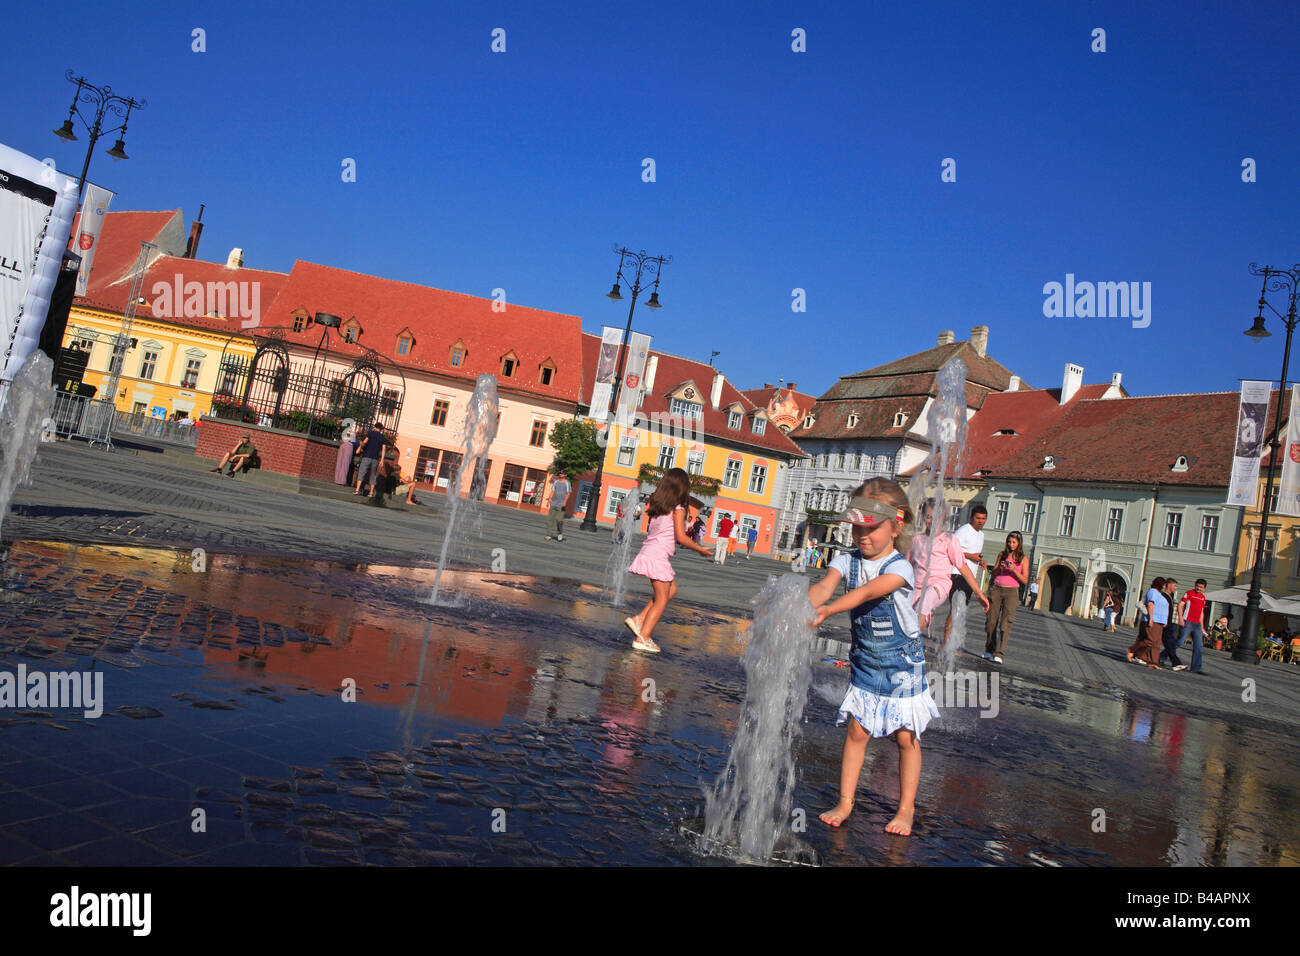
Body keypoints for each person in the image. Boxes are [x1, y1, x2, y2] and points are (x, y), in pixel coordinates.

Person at [808, 479, 935, 836]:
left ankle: (906, 808)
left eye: (871, 528)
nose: (862, 534)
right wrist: (805, 604)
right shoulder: (845, 559)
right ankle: (846, 801)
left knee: (906, 737)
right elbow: (824, 585)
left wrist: (830, 610)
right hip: (865, 659)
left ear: (896, 526)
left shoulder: (900, 567)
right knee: (857, 731)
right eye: (856, 526)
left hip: (902, 663)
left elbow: (868, 591)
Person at [623, 468, 712, 653]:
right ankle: (643, 637)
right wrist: (700, 549)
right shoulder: (678, 509)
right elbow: (681, 536)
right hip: (658, 556)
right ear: (682, 488)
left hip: (650, 551)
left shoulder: (658, 506)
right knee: (662, 598)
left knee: (671, 590)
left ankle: (639, 619)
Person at [908, 502, 989, 631]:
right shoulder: (917, 540)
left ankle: (912, 638)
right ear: (923, 517)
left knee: (923, 605)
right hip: (918, 586)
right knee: (906, 616)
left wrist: (979, 594)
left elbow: (963, 567)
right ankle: (910, 643)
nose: (933, 520)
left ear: (944, 517)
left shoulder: (949, 540)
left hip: (938, 585)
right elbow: (907, 566)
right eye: (929, 516)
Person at [943, 505, 988, 644]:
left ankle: (952, 643)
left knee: (961, 611)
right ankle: (946, 643)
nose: (980, 521)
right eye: (978, 518)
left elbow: (974, 554)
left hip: (970, 577)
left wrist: (980, 561)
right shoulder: (963, 531)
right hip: (958, 574)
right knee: (955, 608)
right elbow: (950, 550)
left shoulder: (981, 535)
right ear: (972, 517)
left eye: (983, 519)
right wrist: (971, 556)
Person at [984, 531, 1029, 663]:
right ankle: (989, 649)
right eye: (1009, 541)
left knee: (1005, 623)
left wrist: (1014, 569)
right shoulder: (1002, 554)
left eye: (1014, 542)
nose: (1011, 544)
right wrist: (1000, 567)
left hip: (1012, 592)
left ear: (1019, 543)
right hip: (997, 589)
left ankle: (999, 653)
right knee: (991, 621)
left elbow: (1025, 580)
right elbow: (994, 573)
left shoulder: (1023, 559)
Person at [1126, 576, 1167, 669]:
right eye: (1164, 585)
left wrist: (1164, 620)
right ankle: (1131, 650)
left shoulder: (1159, 594)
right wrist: (1151, 618)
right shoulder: (1152, 592)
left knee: (1156, 643)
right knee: (1150, 641)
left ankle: (1153, 662)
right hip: (1153, 620)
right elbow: (1150, 604)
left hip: (1160, 621)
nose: (1165, 587)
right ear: (1160, 584)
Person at [1179, 578, 1208, 674]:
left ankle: (1196, 667)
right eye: (1198, 586)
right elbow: (1181, 605)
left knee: (1199, 645)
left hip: (1197, 625)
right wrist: (1181, 618)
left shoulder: (1203, 598)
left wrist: (1202, 626)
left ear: (1204, 588)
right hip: (1188, 622)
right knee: (1180, 641)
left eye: (1201, 587)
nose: (1199, 588)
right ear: (1195, 585)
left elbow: (1201, 613)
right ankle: (1163, 656)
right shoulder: (1189, 593)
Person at [1158, 578, 1187, 670]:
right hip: (1164, 622)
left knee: (1169, 643)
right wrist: (1164, 621)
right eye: (1174, 585)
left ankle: (1175, 663)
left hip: (1169, 623)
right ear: (1169, 585)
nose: (1175, 588)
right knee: (1167, 643)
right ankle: (1176, 663)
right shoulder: (1163, 595)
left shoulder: (1171, 595)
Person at [353, 423, 387, 497]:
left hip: (367, 456)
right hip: (375, 458)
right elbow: (384, 449)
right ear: (381, 429)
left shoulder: (370, 433)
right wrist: (382, 460)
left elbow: (364, 442)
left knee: (362, 472)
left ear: (375, 427)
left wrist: (359, 448)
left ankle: (357, 490)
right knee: (373, 475)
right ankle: (371, 492)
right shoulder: (382, 437)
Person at [546, 474, 572, 541]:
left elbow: (568, 493)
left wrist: (565, 501)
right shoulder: (556, 482)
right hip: (553, 503)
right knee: (550, 519)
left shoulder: (567, 483)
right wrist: (549, 500)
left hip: (561, 505)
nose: (561, 474)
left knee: (559, 520)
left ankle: (559, 533)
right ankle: (549, 535)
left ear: (565, 475)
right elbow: (552, 491)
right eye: (560, 473)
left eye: (563, 473)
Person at [334, 419, 358, 485]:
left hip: (343, 445)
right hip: (349, 446)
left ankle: (337, 479)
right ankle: (342, 480)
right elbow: (354, 441)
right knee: (345, 463)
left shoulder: (346, 430)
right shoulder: (353, 432)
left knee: (340, 462)